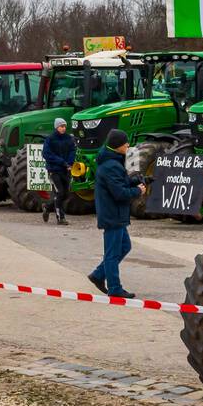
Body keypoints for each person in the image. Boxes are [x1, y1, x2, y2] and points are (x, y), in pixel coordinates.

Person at [87, 128, 145, 299]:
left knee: (125, 246)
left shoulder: (113, 161)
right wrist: (137, 191)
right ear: (117, 145)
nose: (128, 145)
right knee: (112, 254)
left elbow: (121, 181)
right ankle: (115, 289)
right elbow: (119, 193)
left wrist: (138, 180)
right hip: (113, 215)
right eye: (125, 142)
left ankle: (98, 275)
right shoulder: (111, 165)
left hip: (116, 214)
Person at [41, 117, 77, 225]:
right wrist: (61, 162)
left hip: (66, 170)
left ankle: (47, 207)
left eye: (65, 126)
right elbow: (46, 154)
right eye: (61, 126)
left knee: (66, 194)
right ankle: (60, 218)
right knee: (59, 192)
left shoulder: (68, 139)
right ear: (56, 127)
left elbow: (72, 150)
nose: (63, 128)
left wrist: (70, 163)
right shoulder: (50, 139)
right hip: (54, 170)